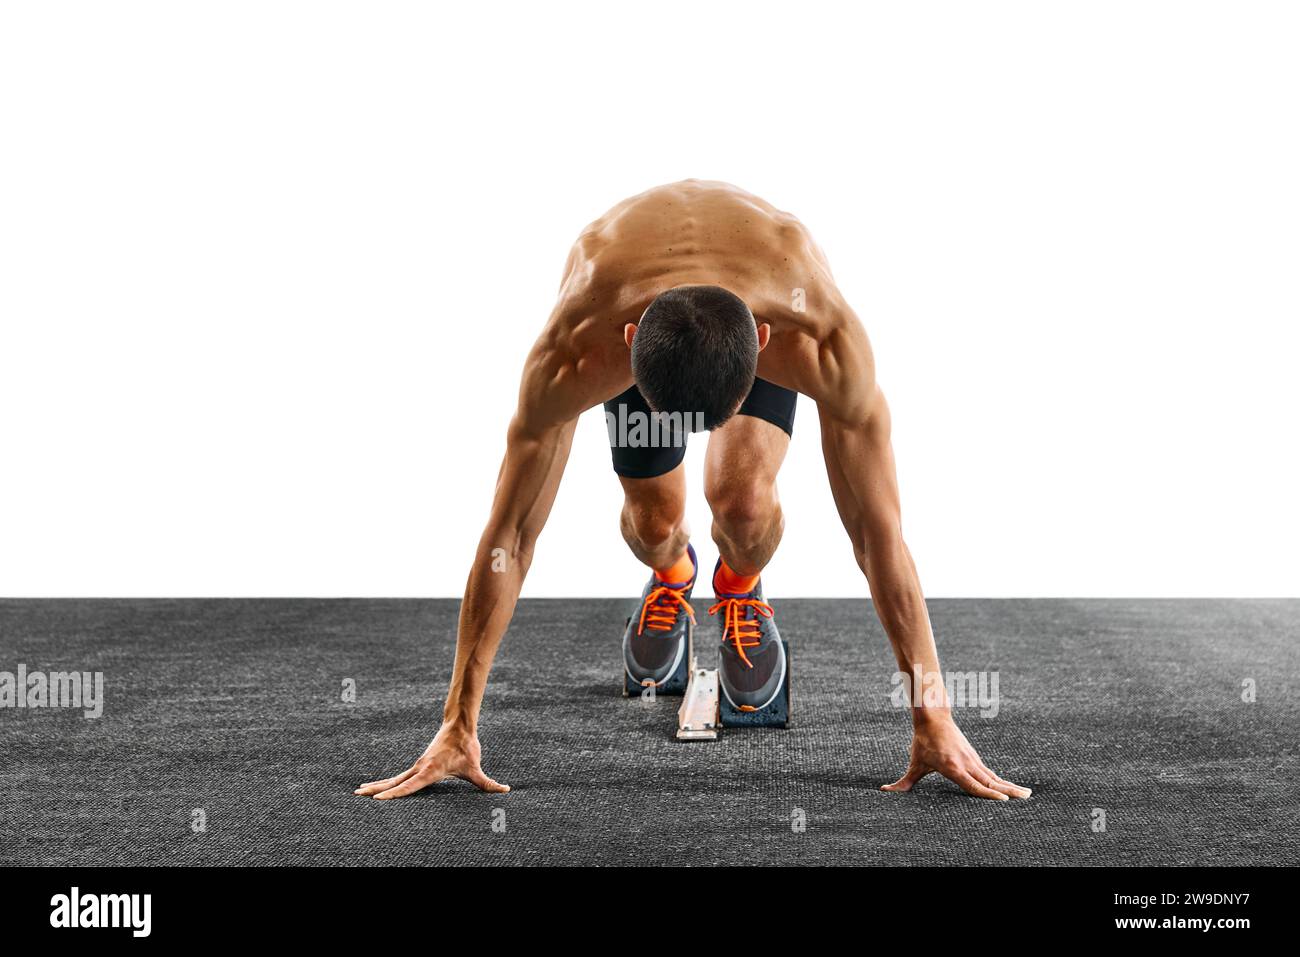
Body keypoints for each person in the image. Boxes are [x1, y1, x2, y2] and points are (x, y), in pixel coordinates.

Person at [355, 180, 1031, 802]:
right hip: (646, 312)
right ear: (626, 347)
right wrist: (458, 723)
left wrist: (933, 714)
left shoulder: (819, 336)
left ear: (765, 343)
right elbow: (511, 536)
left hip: (751, 305)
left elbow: (878, 534)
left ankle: (738, 586)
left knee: (742, 502)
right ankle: (672, 575)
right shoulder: (574, 351)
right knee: (653, 524)